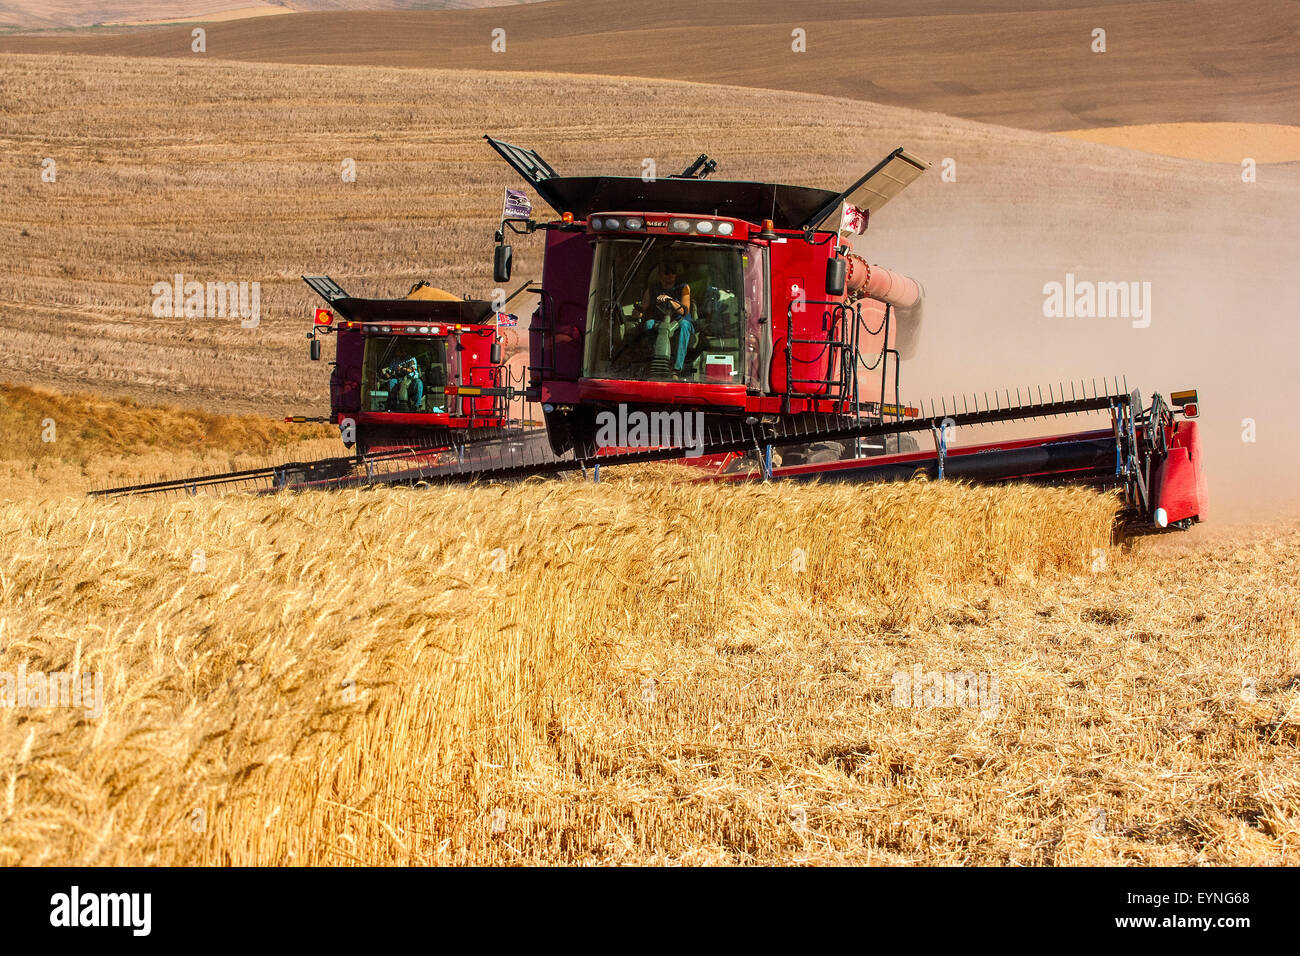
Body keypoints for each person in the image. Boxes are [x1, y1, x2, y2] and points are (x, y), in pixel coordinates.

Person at [630, 262, 694, 377]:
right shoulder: (652, 289)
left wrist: (670, 300)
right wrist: (637, 313)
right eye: (666, 272)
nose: (670, 275)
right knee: (649, 324)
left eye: (673, 272)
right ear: (660, 274)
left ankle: (676, 369)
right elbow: (643, 308)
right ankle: (652, 364)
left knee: (685, 325)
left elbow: (684, 311)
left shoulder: (684, 288)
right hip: (660, 322)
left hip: (678, 322)